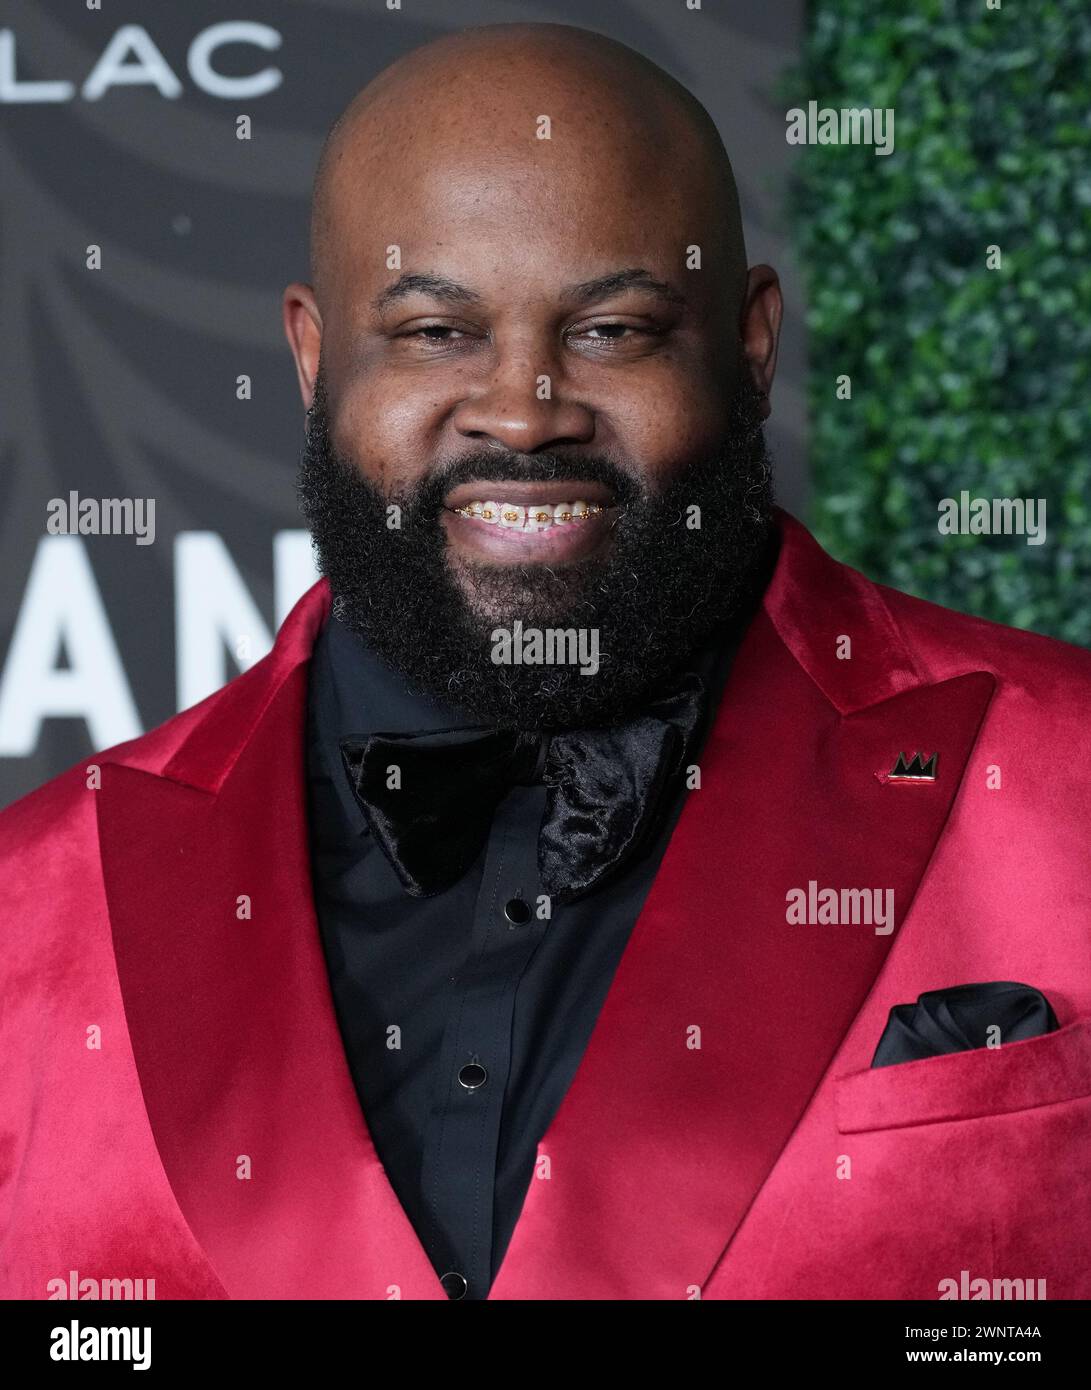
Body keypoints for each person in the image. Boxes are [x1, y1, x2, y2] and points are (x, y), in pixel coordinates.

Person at [2, 22, 1089, 1302]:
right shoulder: (34, 909)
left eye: (614, 330)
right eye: (432, 333)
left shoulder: (1058, 785)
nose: (522, 410)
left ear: (748, 341)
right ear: (311, 359)